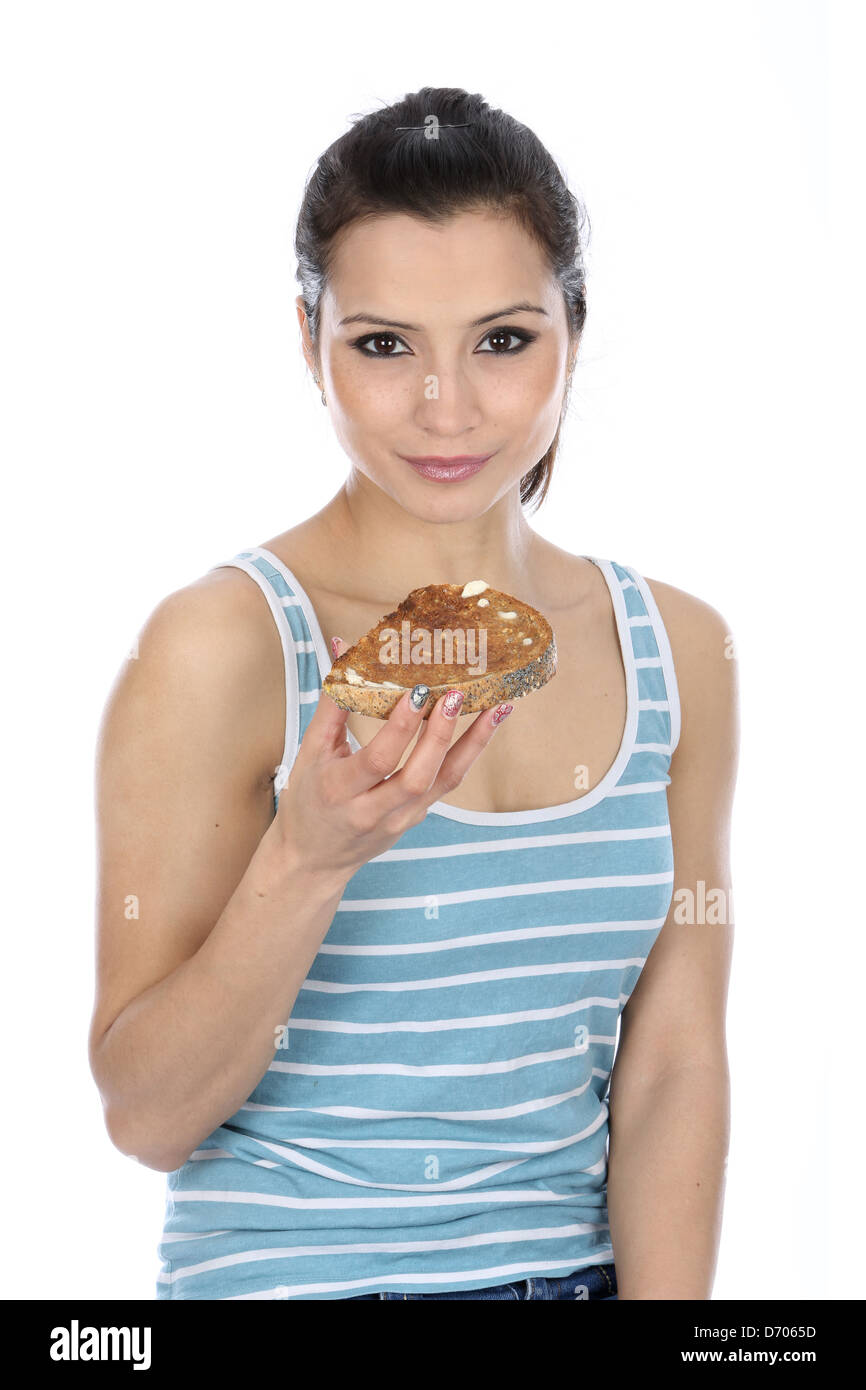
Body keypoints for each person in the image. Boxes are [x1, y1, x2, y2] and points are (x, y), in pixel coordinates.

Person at [89, 86, 738, 1301]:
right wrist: (311, 852)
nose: (445, 407)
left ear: (573, 331)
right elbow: (146, 1116)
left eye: (501, 339)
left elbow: (671, 1067)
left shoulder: (677, 649)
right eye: (382, 344)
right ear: (308, 340)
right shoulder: (223, 646)